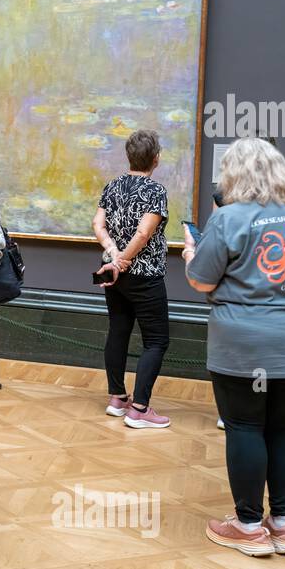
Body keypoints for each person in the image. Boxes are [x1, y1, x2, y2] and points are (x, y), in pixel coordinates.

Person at [184, 137, 285, 557]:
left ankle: (248, 527)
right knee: (284, 427)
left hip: (246, 341)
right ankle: (284, 525)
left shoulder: (229, 218)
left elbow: (202, 281)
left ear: (233, 175)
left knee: (245, 426)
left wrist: (193, 254)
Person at [93, 129, 172, 428]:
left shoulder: (112, 186)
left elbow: (98, 224)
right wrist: (125, 258)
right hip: (145, 276)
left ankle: (117, 398)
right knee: (156, 341)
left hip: (113, 274)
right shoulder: (156, 191)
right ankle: (139, 409)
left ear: (129, 156)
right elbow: (143, 233)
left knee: (118, 330)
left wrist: (115, 255)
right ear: (155, 159)